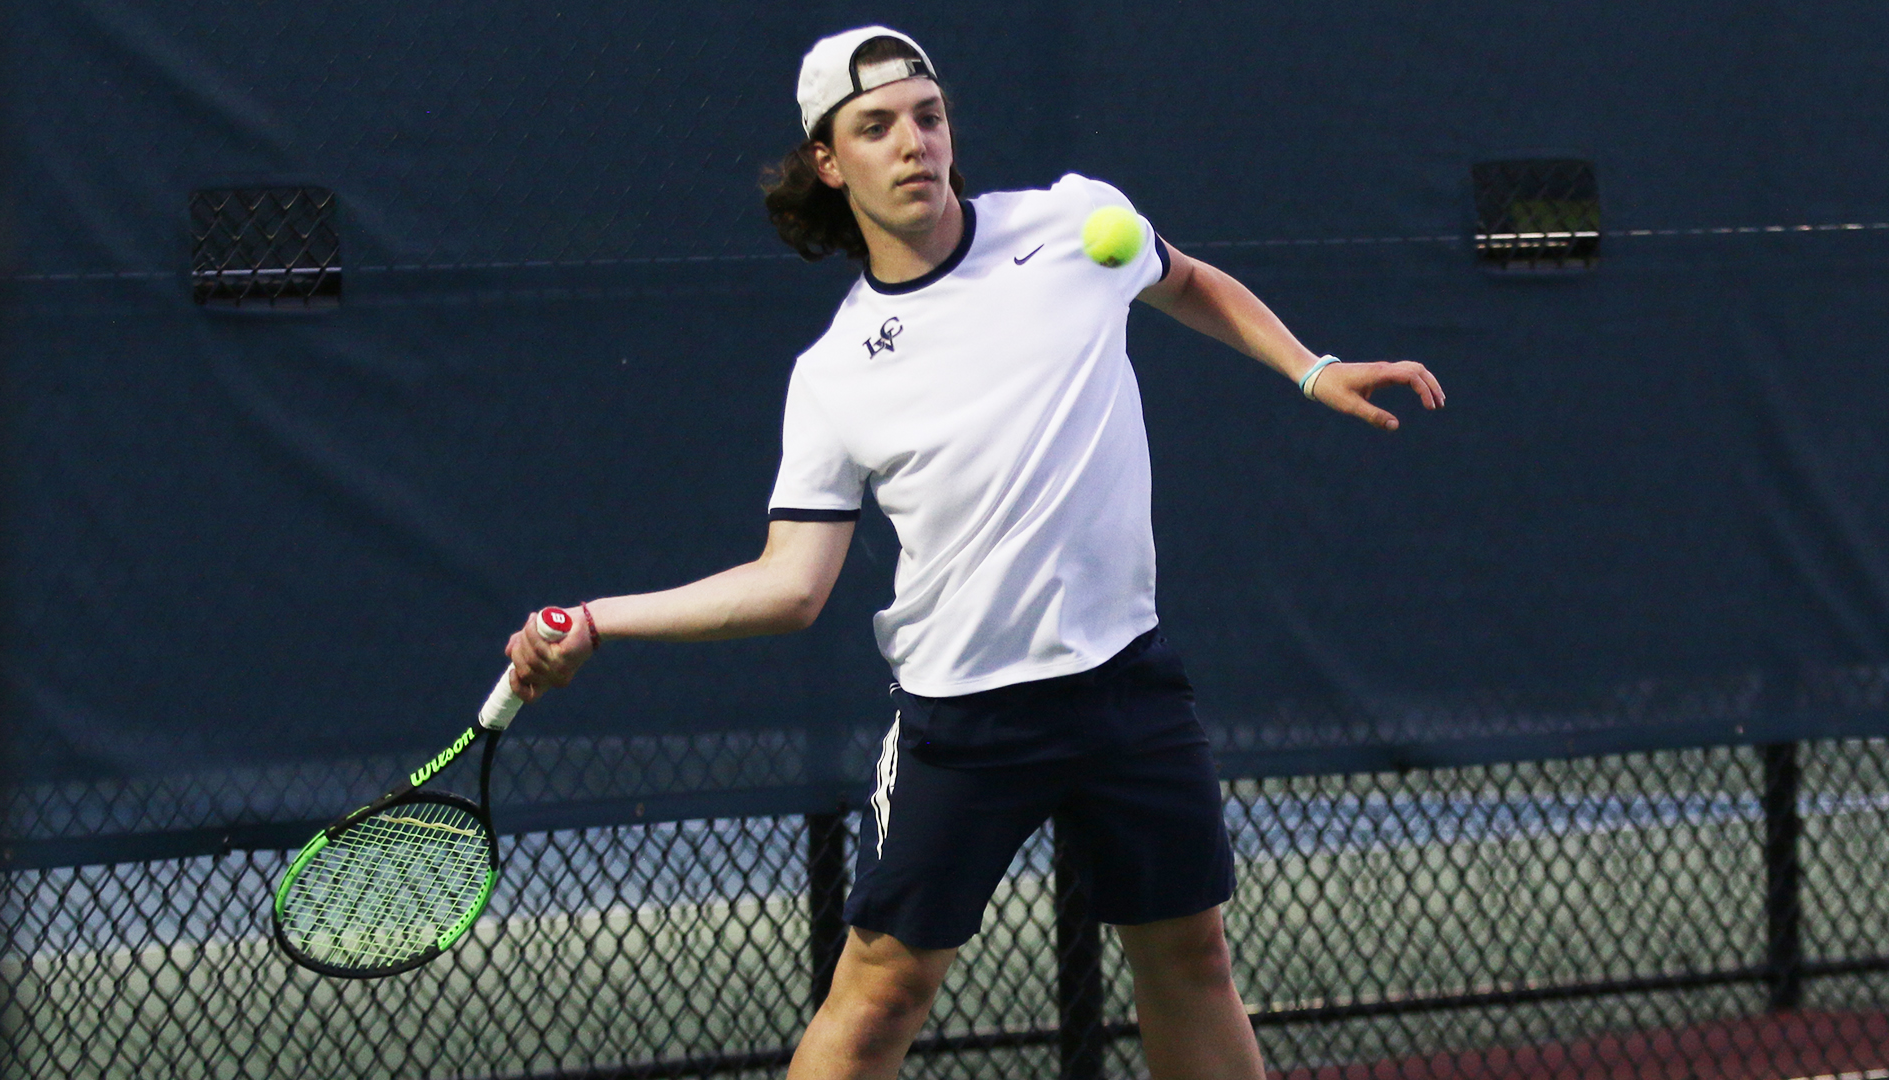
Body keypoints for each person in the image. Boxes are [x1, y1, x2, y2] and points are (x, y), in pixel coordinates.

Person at [506, 26, 1444, 1080]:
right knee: (881, 998)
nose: (913, 143)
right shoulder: (834, 374)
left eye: (928, 115)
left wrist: (1309, 369)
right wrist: (597, 618)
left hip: (1125, 685)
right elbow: (789, 585)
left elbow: (1182, 280)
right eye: (876, 127)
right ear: (829, 161)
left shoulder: (1072, 227)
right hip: (965, 720)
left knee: (1192, 959)